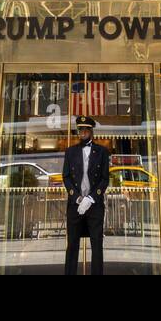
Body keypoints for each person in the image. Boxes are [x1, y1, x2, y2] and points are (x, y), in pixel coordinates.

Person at [62, 115, 110, 275]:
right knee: (72, 245)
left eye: (84, 130)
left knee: (97, 245)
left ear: (90, 131)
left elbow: (104, 179)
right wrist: (76, 197)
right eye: (79, 130)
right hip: (75, 205)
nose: (81, 133)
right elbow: (66, 177)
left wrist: (91, 198)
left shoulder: (102, 152)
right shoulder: (70, 151)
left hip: (94, 205)